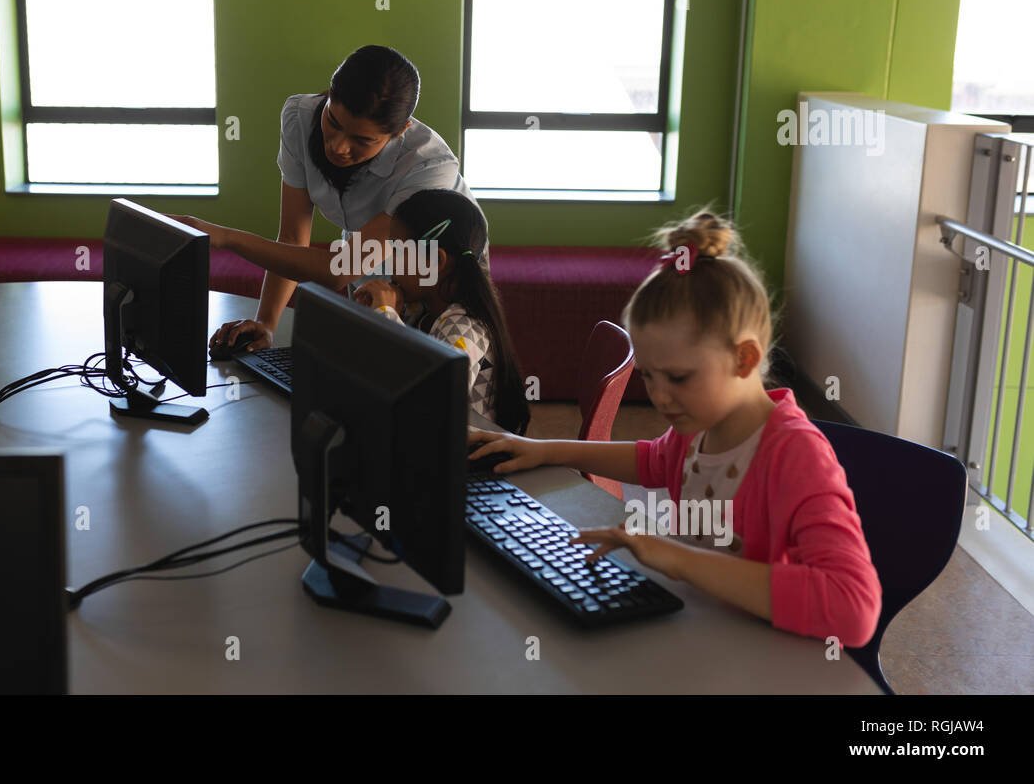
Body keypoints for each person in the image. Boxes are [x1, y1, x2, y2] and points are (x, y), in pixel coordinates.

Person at [467, 208, 882, 648]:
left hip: (764, 653)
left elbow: (854, 610)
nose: (660, 399)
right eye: (648, 376)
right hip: (701, 631)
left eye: (679, 378)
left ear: (745, 359)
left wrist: (677, 559)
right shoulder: (698, 426)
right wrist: (543, 449)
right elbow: (653, 460)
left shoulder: (794, 454)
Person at [166, 45, 488, 355]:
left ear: (400, 131)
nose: (338, 146)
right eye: (333, 122)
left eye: (362, 140)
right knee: (374, 371)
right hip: (366, 258)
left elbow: (339, 270)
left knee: (435, 386)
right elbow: (293, 239)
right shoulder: (299, 118)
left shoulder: (428, 165)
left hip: (435, 280)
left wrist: (225, 237)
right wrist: (266, 324)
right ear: (329, 95)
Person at [352, 189, 529, 435]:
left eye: (398, 251)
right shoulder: (422, 310)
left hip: (462, 460)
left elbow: (431, 404)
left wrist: (386, 317)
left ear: (434, 261)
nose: (389, 263)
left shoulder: (463, 327)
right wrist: (370, 321)